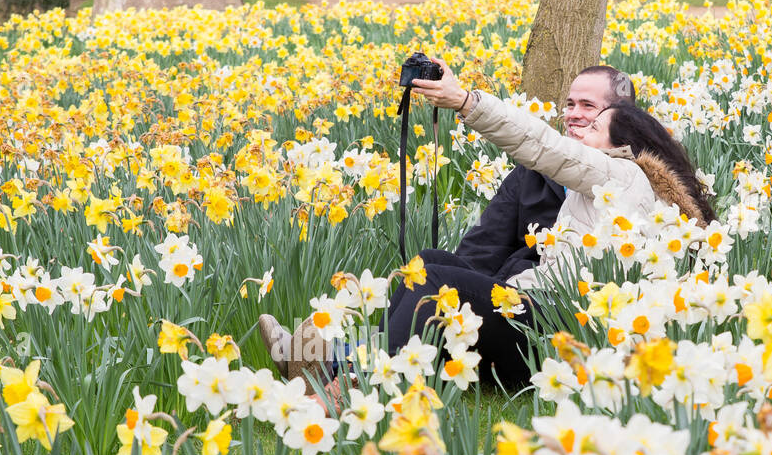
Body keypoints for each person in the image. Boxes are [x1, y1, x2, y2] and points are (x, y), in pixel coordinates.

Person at [259, 60, 715, 398]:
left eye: (593, 118)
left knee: (435, 281)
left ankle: (351, 389)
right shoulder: (609, 188)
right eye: (571, 106)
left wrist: (465, 102)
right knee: (429, 267)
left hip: (554, 327)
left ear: (624, 136)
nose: (578, 121)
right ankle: (343, 365)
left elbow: (544, 145)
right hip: (535, 309)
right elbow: (484, 249)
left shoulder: (619, 176)